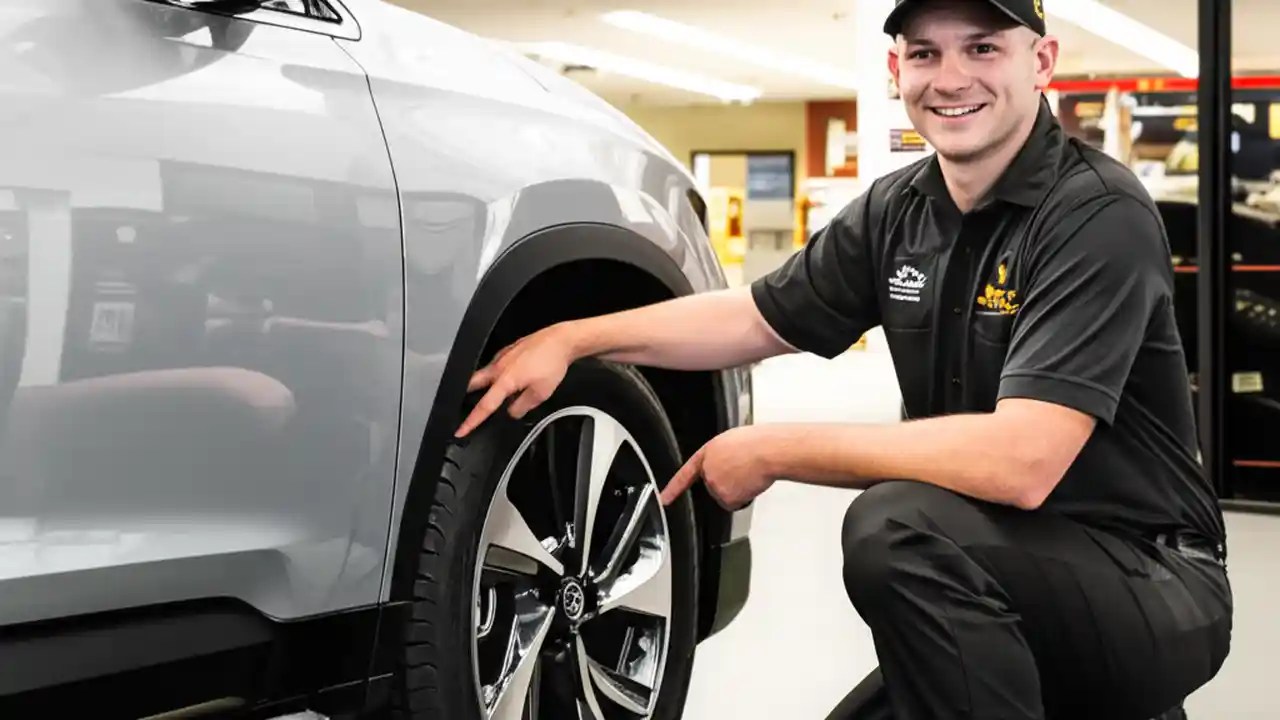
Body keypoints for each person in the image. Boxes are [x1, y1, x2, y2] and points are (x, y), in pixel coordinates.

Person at [455, 0, 1234, 717]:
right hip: (1003, 570)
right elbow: (753, 316)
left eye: (983, 48)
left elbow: (1022, 459)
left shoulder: (1096, 213)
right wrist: (573, 337)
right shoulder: (899, 211)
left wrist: (775, 449)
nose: (950, 78)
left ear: (1042, 62)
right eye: (924, 53)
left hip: (1152, 582)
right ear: (896, 71)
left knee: (897, 529)